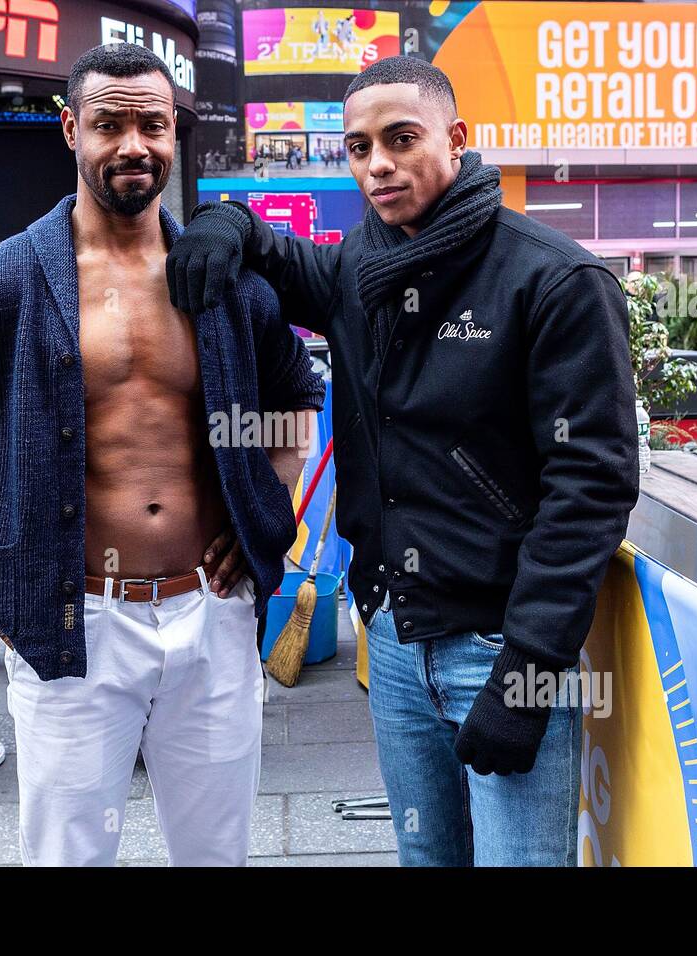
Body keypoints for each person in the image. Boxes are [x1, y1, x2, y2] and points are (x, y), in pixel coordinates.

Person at [0, 43, 323, 865]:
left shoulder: (225, 284)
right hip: (72, 620)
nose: (134, 143)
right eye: (109, 123)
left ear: (176, 134)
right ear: (71, 130)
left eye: (153, 123)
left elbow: (295, 398)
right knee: (68, 855)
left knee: (218, 853)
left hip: (211, 615)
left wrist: (264, 522)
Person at [168, 55, 638, 866]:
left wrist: (527, 675)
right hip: (389, 641)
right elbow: (280, 259)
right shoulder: (360, 265)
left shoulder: (554, 279)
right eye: (358, 147)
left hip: (498, 652)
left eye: (400, 138)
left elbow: (592, 488)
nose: (377, 163)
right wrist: (226, 222)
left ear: (456, 138)